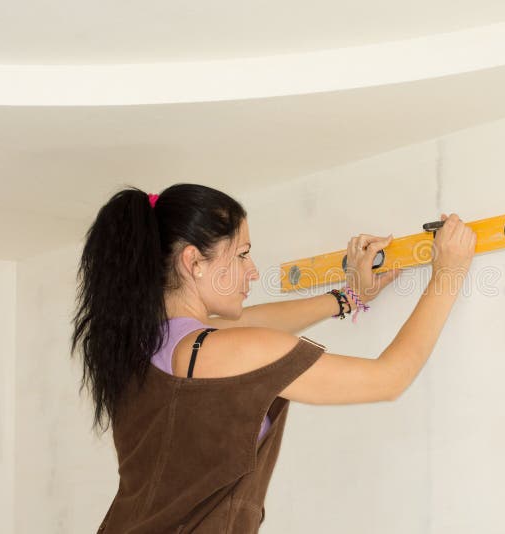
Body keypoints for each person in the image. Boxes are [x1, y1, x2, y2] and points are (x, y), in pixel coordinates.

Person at [70, 183, 476, 533]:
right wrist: (449, 273)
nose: (252, 271)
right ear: (193, 262)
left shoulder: (140, 343)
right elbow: (389, 379)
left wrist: (349, 297)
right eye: (242, 253)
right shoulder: (224, 351)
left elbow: (250, 321)